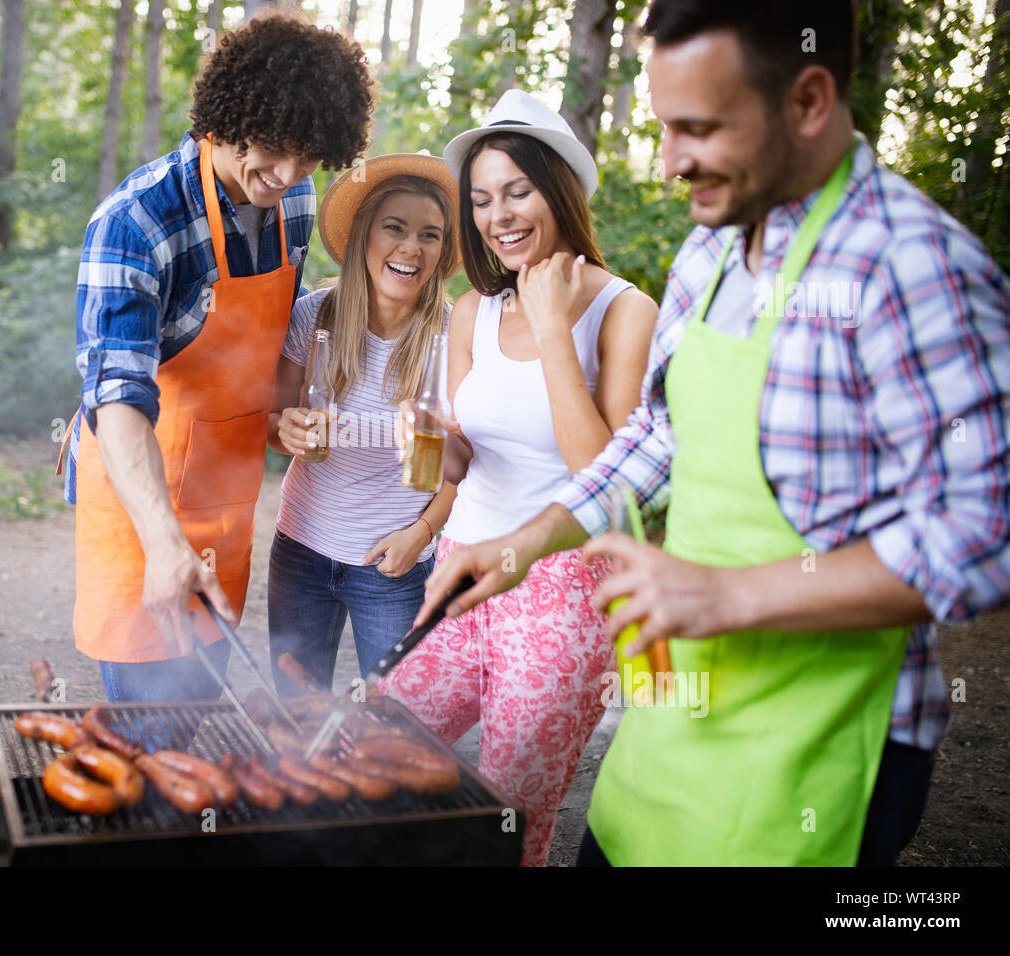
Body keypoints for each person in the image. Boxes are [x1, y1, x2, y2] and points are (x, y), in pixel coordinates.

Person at [418, 0, 1010, 866]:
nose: (669, 161)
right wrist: (529, 540)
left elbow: (983, 533)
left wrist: (725, 599)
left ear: (808, 100)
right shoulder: (710, 255)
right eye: (663, 127)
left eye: (697, 129)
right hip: (680, 715)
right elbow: (654, 438)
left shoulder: (914, 268)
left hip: (822, 743)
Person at [56, 15, 374, 703]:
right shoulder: (136, 220)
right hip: (142, 502)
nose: (288, 174)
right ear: (229, 113)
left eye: (311, 155)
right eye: (275, 147)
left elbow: (266, 344)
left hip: (226, 498)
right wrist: (163, 543)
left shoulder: (292, 200)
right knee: (150, 725)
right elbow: (115, 394)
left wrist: (281, 417)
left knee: (204, 710)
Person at [378, 90, 659, 867]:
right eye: (481, 199)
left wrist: (552, 328)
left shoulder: (626, 312)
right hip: (462, 568)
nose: (497, 215)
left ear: (559, 190)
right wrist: (427, 443)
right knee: (379, 739)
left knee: (506, 817)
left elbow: (607, 484)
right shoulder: (470, 311)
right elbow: (459, 460)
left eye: (517, 191)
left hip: (563, 594)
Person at [266, 156, 460, 691]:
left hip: (394, 562)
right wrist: (286, 429)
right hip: (302, 547)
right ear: (361, 238)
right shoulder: (315, 317)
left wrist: (420, 533)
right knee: (296, 712)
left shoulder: (454, 336)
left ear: (442, 254)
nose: (411, 247)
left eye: (430, 235)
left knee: (396, 724)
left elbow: (468, 467)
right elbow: (271, 419)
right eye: (394, 228)